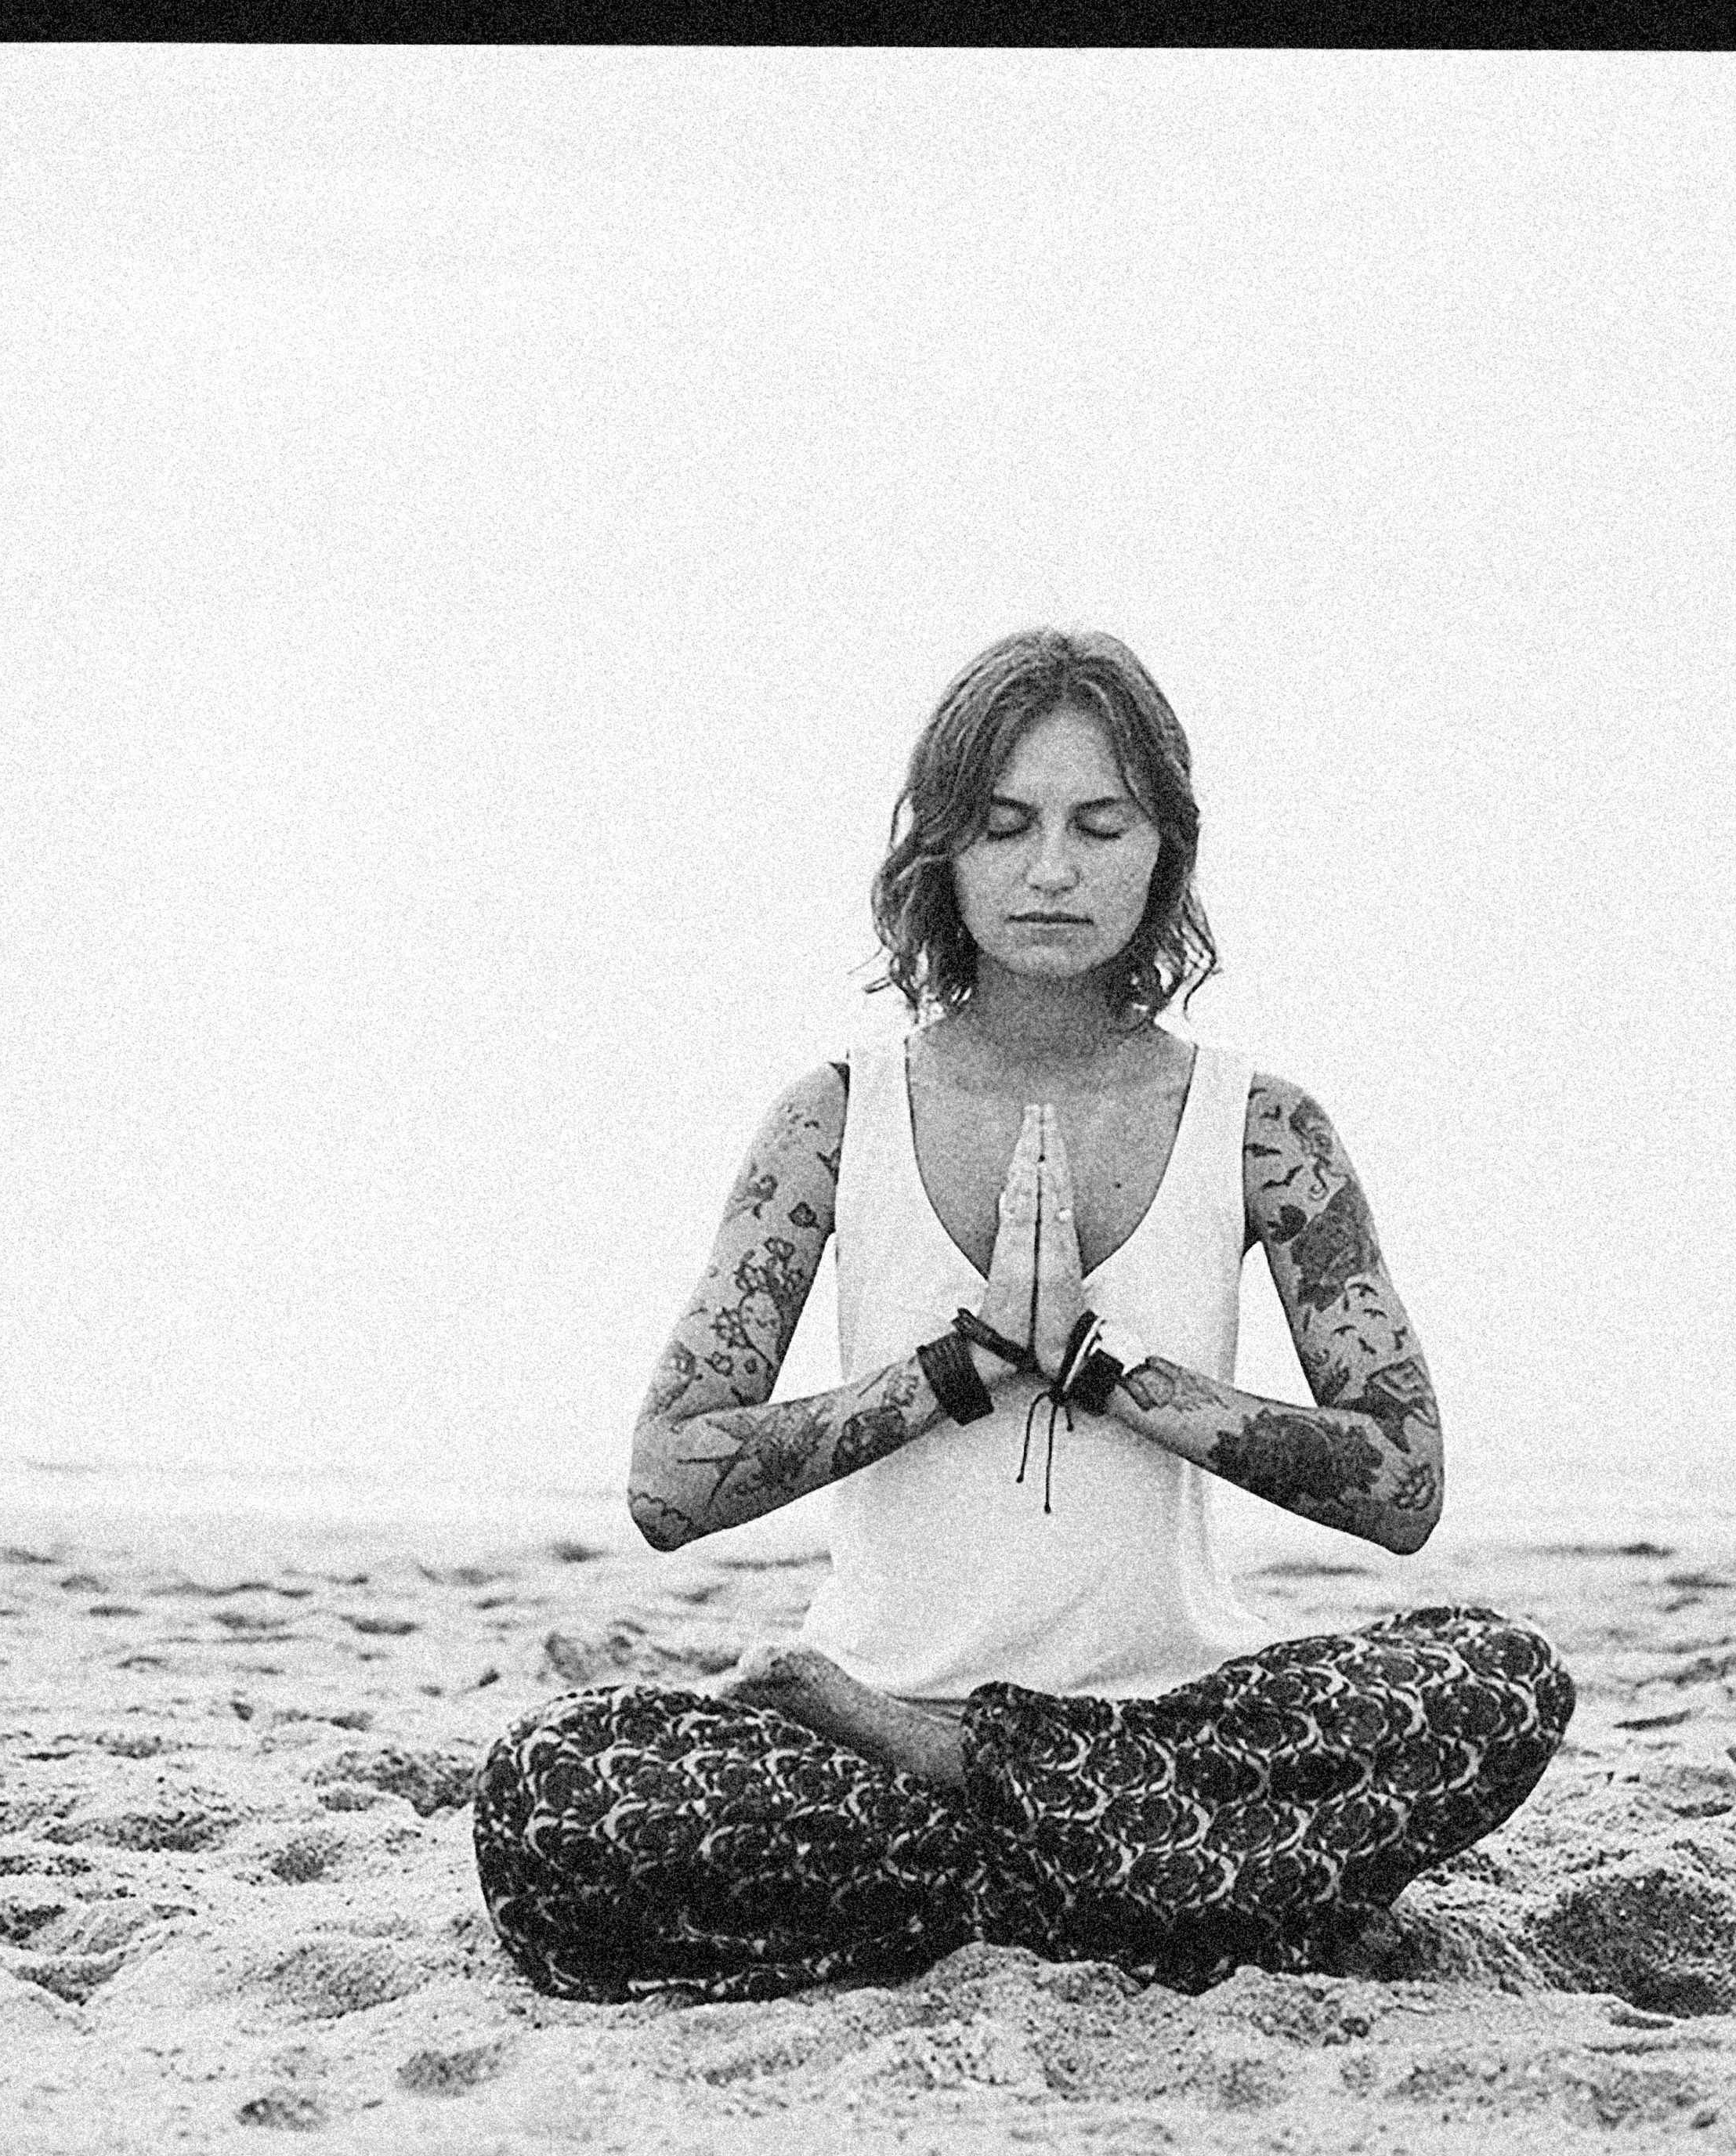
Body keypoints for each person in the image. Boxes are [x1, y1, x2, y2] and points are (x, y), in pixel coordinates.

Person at [472, 629, 1573, 2004]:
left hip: (1176, 1722)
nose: (1051, 870)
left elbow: (1404, 1486)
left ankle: (993, 1799)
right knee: (550, 1789)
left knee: (1501, 1677)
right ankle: (1151, 1883)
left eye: (1098, 824)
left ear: (1164, 849)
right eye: (1005, 828)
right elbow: (666, 1482)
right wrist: (961, 1369)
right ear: (943, 853)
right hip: (881, 1732)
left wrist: (1106, 1373)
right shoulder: (834, 1117)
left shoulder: (1262, 1125)